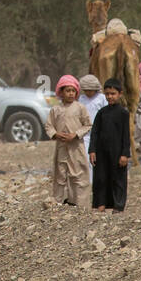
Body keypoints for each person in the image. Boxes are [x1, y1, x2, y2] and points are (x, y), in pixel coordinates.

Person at [45, 75, 91, 207]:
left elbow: (88, 125)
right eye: (67, 91)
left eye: (73, 91)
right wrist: (55, 134)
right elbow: (49, 126)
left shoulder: (80, 108)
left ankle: (81, 206)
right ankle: (58, 204)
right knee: (60, 176)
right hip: (61, 148)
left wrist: (75, 135)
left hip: (76, 147)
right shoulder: (56, 109)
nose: (71, 93)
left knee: (79, 176)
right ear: (61, 92)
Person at [90, 78, 131, 212]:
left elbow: (126, 136)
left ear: (120, 94)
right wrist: (92, 150)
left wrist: (125, 154)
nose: (110, 97)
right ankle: (100, 204)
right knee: (101, 178)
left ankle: (118, 206)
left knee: (118, 179)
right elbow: (95, 132)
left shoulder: (123, 113)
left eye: (113, 94)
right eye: (107, 94)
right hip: (102, 153)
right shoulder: (102, 113)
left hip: (117, 153)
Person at [77, 74, 106, 184]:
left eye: (91, 90)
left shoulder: (102, 98)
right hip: (86, 133)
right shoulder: (81, 99)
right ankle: (89, 181)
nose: (89, 92)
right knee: (86, 158)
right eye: (86, 90)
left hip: (99, 132)